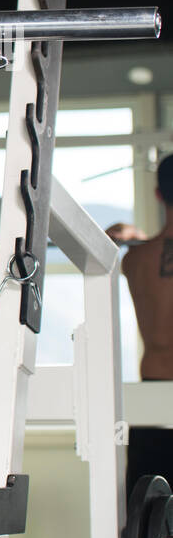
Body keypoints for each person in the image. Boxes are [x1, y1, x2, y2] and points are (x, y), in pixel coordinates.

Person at [105, 154, 173, 498]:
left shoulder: (135, 259)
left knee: (146, 521)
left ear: (158, 195)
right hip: (154, 402)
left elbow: (159, 253)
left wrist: (135, 235)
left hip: (151, 401)